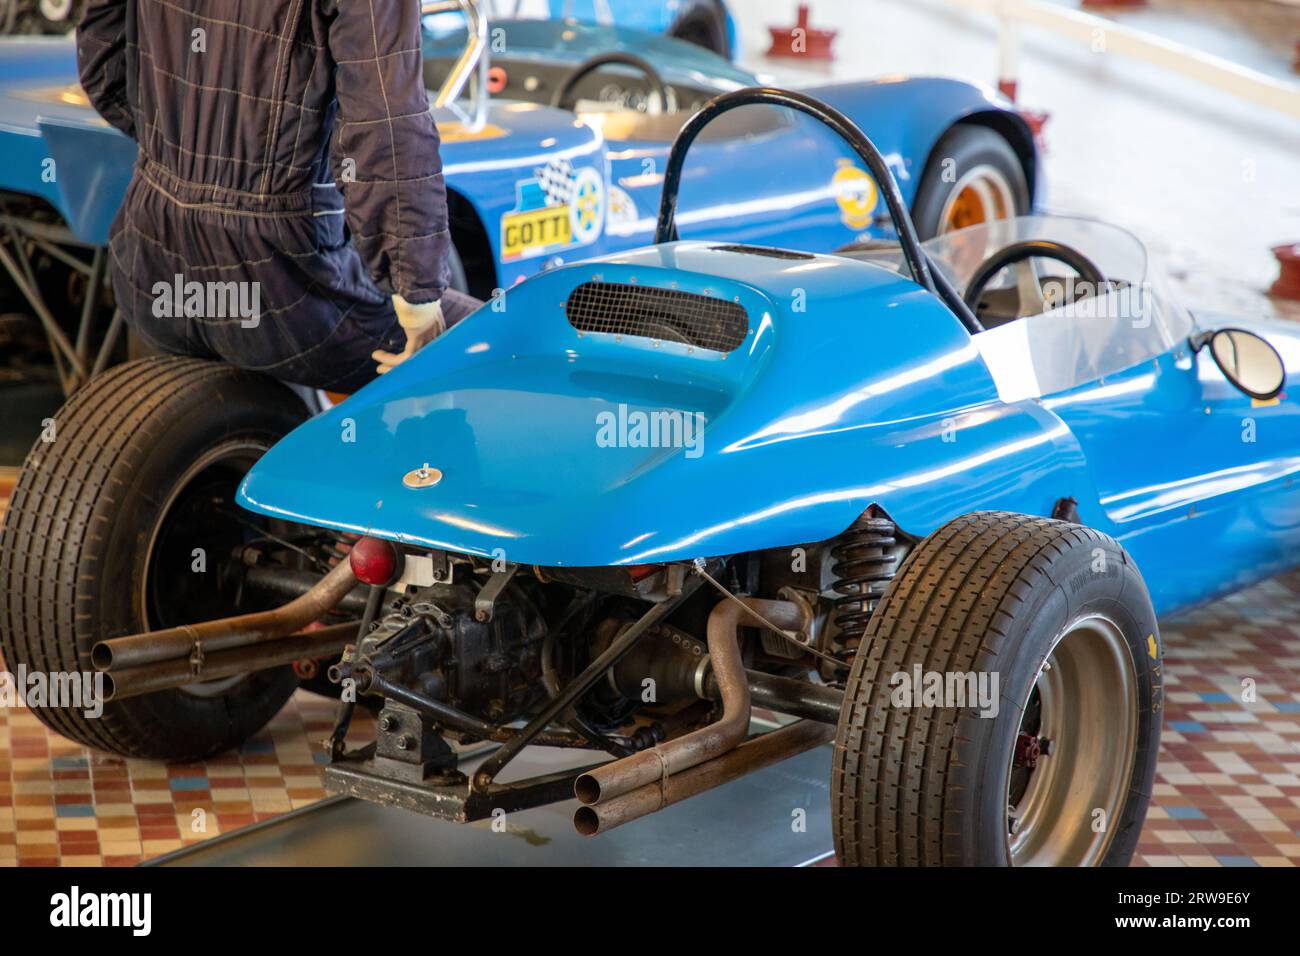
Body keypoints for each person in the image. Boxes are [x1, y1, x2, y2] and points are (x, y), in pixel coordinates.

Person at [76, 0, 481, 390]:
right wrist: (418, 297)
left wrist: (172, 156)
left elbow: (101, 57)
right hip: (287, 283)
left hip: (152, 262)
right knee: (506, 342)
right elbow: (386, 126)